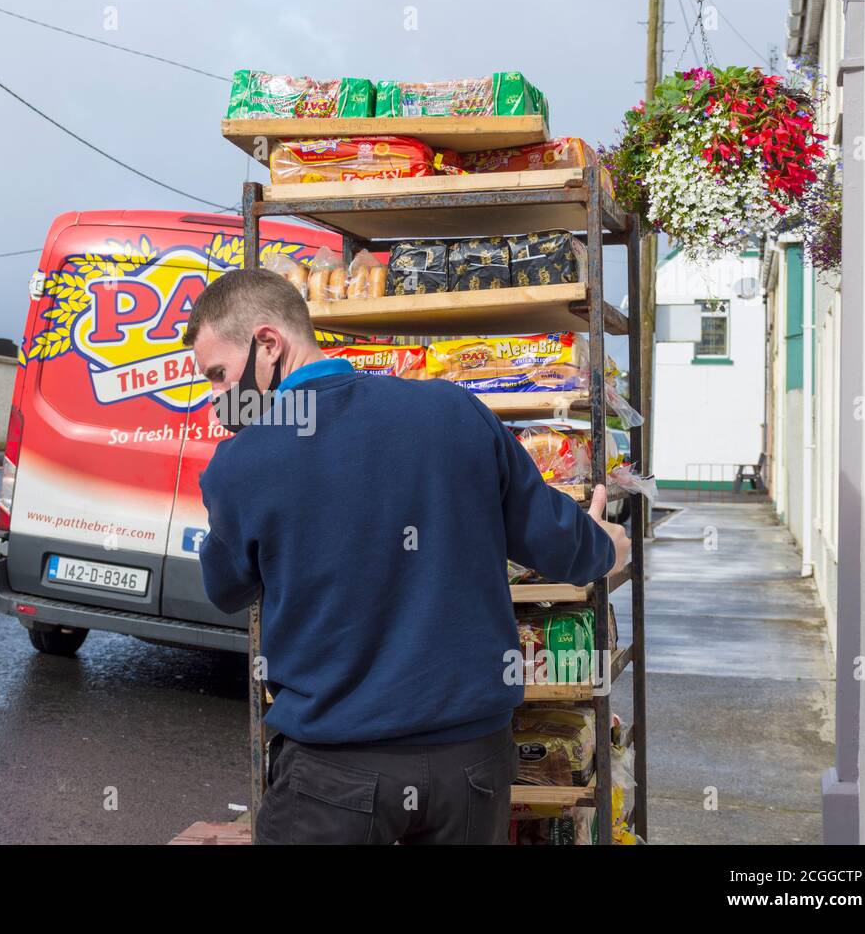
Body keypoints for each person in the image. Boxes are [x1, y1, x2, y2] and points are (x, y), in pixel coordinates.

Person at [183, 268, 630, 845]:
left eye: (219, 376)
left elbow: (225, 589)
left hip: (334, 773)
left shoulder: (242, 463)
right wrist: (604, 543)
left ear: (268, 344)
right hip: (472, 768)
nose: (219, 398)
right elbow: (562, 548)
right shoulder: (455, 411)